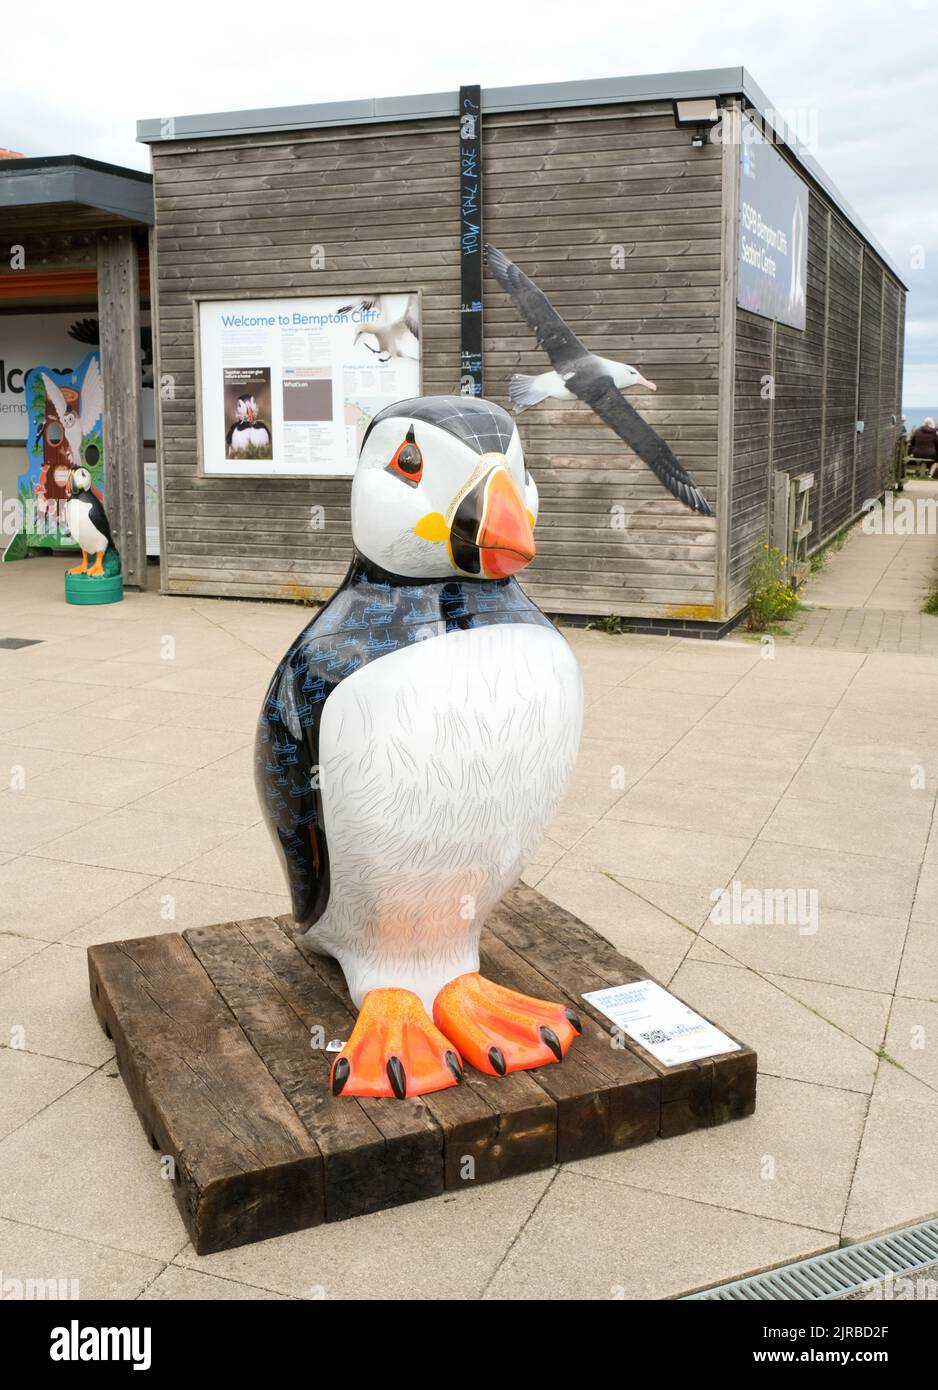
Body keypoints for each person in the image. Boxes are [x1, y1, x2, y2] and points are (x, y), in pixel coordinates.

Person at [893, 416, 908, 491]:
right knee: (900, 465)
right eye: (902, 421)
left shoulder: (896, 427)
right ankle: (900, 483)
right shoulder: (902, 428)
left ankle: (899, 483)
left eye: (903, 421)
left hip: (898, 450)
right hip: (899, 451)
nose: (903, 422)